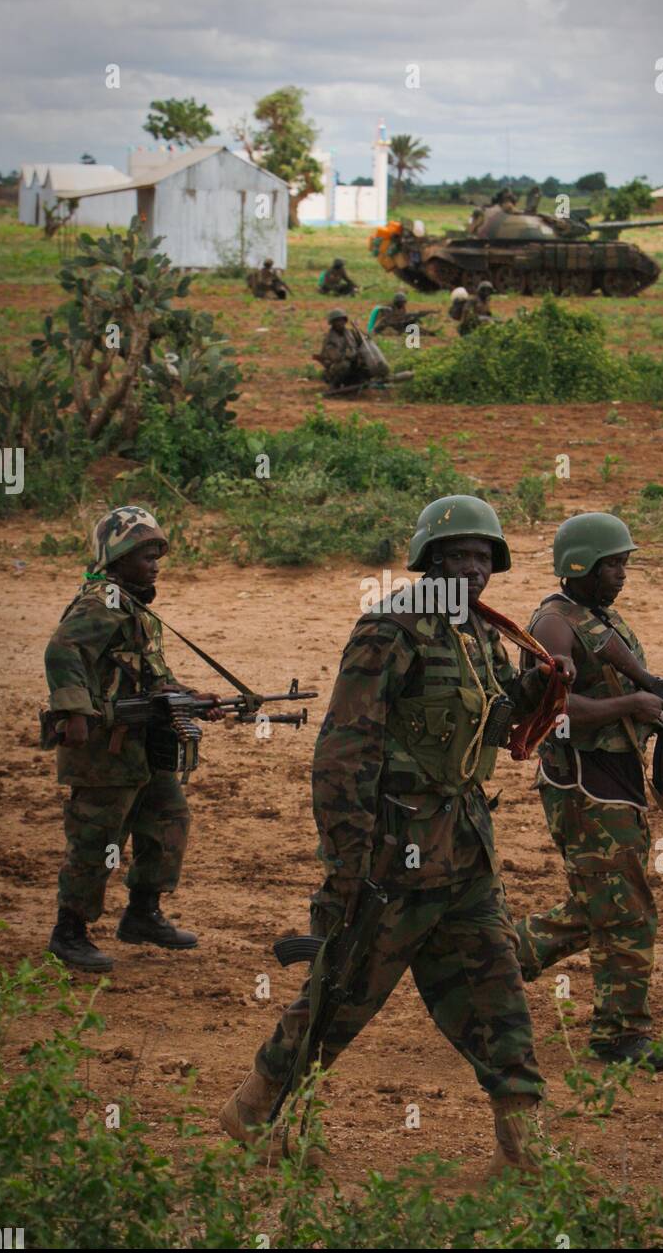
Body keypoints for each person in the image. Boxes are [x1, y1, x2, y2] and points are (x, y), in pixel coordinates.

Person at [221, 495, 571, 1174]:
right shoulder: (390, 631)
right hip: (393, 853)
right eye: (456, 556)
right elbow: (342, 751)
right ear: (429, 560)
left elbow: (496, 722)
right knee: (341, 995)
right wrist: (348, 862)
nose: (471, 569)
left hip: (464, 848)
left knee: (496, 990)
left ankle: (524, 1148)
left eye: (481, 557)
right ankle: (255, 1110)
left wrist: (538, 687)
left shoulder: (479, 635)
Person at [513, 514, 663, 1068]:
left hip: (615, 778)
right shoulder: (555, 625)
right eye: (612, 564)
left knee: (607, 905)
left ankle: (492, 961)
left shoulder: (601, 620)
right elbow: (553, 712)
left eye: (625, 561)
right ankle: (621, 1035)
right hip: (582, 784)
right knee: (627, 908)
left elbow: (635, 694)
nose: (622, 573)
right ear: (579, 565)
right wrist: (631, 706)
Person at [43, 507, 223, 973]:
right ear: (117, 557)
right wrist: (75, 713)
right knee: (98, 837)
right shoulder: (103, 601)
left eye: (158, 555)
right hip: (105, 748)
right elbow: (63, 650)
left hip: (142, 745)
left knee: (168, 820)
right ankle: (70, 932)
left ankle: (143, 914)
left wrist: (187, 697)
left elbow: (146, 674)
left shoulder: (134, 607)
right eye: (145, 555)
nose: (155, 564)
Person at [314, 308, 370, 389]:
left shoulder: (350, 333)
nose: (340, 323)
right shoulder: (330, 339)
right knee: (344, 365)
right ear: (332, 323)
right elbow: (335, 357)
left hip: (352, 360)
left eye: (342, 320)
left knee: (366, 361)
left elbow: (361, 343)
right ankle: (334, 384)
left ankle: (359, 381)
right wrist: (349, 355)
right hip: (334, 367)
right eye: (337, 321)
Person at [369, 291, 438, 337]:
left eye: (404, 302)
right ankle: (373, 333)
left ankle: (429, 333)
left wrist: (412, 319)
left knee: (414, 326)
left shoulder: (402, 308)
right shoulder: (388, 308)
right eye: (402, 302)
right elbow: (390, 320)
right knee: (385, 322)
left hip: (399, 325)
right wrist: (406, 320)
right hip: (390, 326)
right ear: (397, 302)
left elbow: (404, 316)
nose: (403, 304)